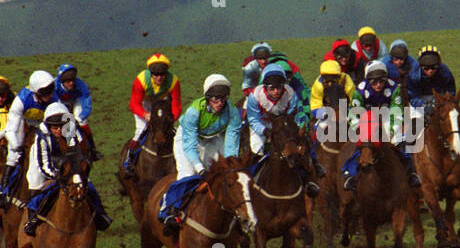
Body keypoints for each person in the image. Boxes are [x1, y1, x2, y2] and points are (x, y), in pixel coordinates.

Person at [160, 74, 244, 234]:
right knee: (189, 173)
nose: (220, 103)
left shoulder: (232, 111)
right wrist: (200, 168)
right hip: (186, 138)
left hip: (212, 138)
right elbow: (190, 146)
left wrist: (230, 163)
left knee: (223, 173)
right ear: (207, 98)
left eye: (223, 99)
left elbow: (232, 140)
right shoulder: (194, 111)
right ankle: (169, 210)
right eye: (215, 99)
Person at [22, 103, 112, 236]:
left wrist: (74, 174)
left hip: (67, 165)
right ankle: (32, 219)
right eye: (54, 127)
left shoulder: (72, 131)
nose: (58, 130)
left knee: (88, 185)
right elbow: (43, 164)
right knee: (38, 187)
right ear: (48, 126)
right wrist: (58, 176)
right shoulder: (41, 137)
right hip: (45, 166)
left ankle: (100, 214)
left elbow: (78, 155)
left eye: (61, 127)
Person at [245, 63, 322, 197]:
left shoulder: (290, 93)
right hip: (263, 125)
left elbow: (295, 115)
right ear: (265, 87)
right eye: (272, 88)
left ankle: (308, 180)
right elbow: (253, 119)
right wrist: (265, 131)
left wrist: (297, 133)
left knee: (298, 147)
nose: (276, 92)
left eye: (279, 87)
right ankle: (249, 180)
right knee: (257, 148)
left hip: (283, 125)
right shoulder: (255, 96)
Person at [342, 60, 421, 190]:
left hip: (388, 118)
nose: (378, 85)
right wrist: (359, 129)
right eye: (374, 82)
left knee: (400, 141)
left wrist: (391, 132)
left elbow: (397, 111)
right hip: (367, 119)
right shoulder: (360, 90)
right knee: (360, 143)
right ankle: (350, 175)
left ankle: (410, 172)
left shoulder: (394, 88)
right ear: (368, 81)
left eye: (381, 81)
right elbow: (353, 113)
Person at [0, 70, 58, 209]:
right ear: (36, 92)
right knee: (14, 153)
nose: (50, 94)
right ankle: (1, 191)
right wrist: (17, 145)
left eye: (51, 90)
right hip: (23, 122)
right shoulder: (22, 99)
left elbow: (63, 120)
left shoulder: (54, 99)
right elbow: (11, 127)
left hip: (44, 123)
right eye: (46, 92)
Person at [407, 45, 460, 165]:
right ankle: (409, 162)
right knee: (413, 128)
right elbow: (412, 96)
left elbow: (451, 93)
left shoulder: (445, 72)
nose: (430, 71)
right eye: (426, 68)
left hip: (439, 98)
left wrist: (442, 104)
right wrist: (423, 106)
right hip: (419, 100)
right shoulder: (413, 74)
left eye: (433, 67)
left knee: (452, 123)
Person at [123, 53, 183, 174]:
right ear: (151, 73)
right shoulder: (141, 80)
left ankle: (181, 161)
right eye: (156, 74)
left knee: (175, 132)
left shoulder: (174, 81)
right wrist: (145, 115)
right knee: (141, 129)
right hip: (145, 103)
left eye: (162, 74)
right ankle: (130, 159)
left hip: (162, 103)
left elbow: (176, 106)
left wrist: (170, 120)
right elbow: (134, 104)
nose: (159, 78)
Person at [54, 63, 99, 160]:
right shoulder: (54, 86)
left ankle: (92, 148)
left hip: (75, 100)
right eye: (68, 82)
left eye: (72, 81)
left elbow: (86, 102)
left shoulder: (81, 85)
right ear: (62, 81)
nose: (71, 84)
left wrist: (83, 115)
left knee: (81, 120)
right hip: (58, 101)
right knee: (62, 120)